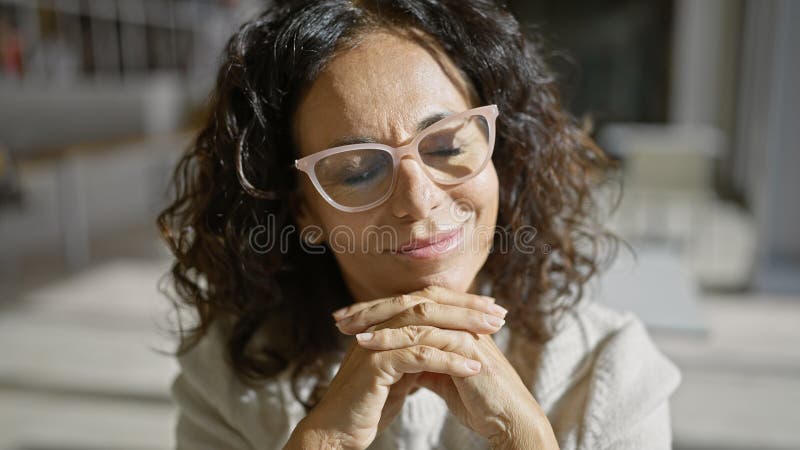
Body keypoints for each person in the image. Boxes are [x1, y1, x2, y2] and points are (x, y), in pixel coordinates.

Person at [157, 1, 681, 449]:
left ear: (500, 154)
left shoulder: (611, 371)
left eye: (448, 146)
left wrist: (526, 440)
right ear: (303, 212)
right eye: (358, 171)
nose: (419, 199)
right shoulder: (229, 377)